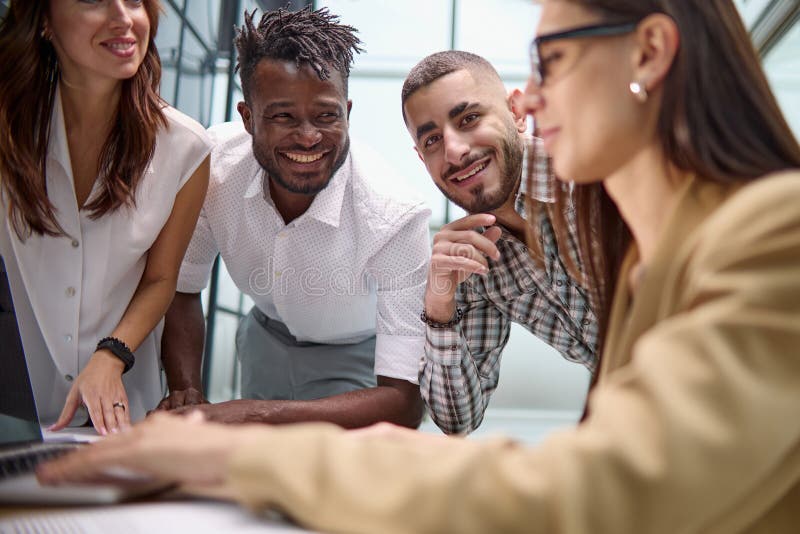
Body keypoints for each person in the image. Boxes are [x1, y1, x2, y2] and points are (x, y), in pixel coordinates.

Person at [39, 1, 800, 532]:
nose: (532, 98)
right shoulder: (613, 263)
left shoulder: (775, 232)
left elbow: (601, 493)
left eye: (550, 62)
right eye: (429, 137)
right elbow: (475, 425)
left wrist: (246, 450)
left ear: (650, 52)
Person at [154, 7, 432, 429]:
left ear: (347, 111)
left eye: (326, 115)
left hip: (359, 367)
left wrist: (253, 412)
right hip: (263, 339)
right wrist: (186, 391)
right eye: (283, 116)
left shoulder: (395, 216)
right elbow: (182, 289)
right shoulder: (213, 169)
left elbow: (404, 402)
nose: (308, 137)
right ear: (247, 118)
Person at [0, 0, 211, 435]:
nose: (123, 17)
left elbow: (160, 279)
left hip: (119, 418)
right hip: (16, 414)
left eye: (134, 1)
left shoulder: (185, 148)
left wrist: (112, 354)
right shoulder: (7, 132)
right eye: (93, 0)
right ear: (43, 22)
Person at [401, 51, 597, 434]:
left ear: (517, 111)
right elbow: (459, 420)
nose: (454, 150)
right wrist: (440, 305)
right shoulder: (471, 263)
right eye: (432, 140)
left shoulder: (594, 175)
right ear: (421, 158)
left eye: (469, 119)